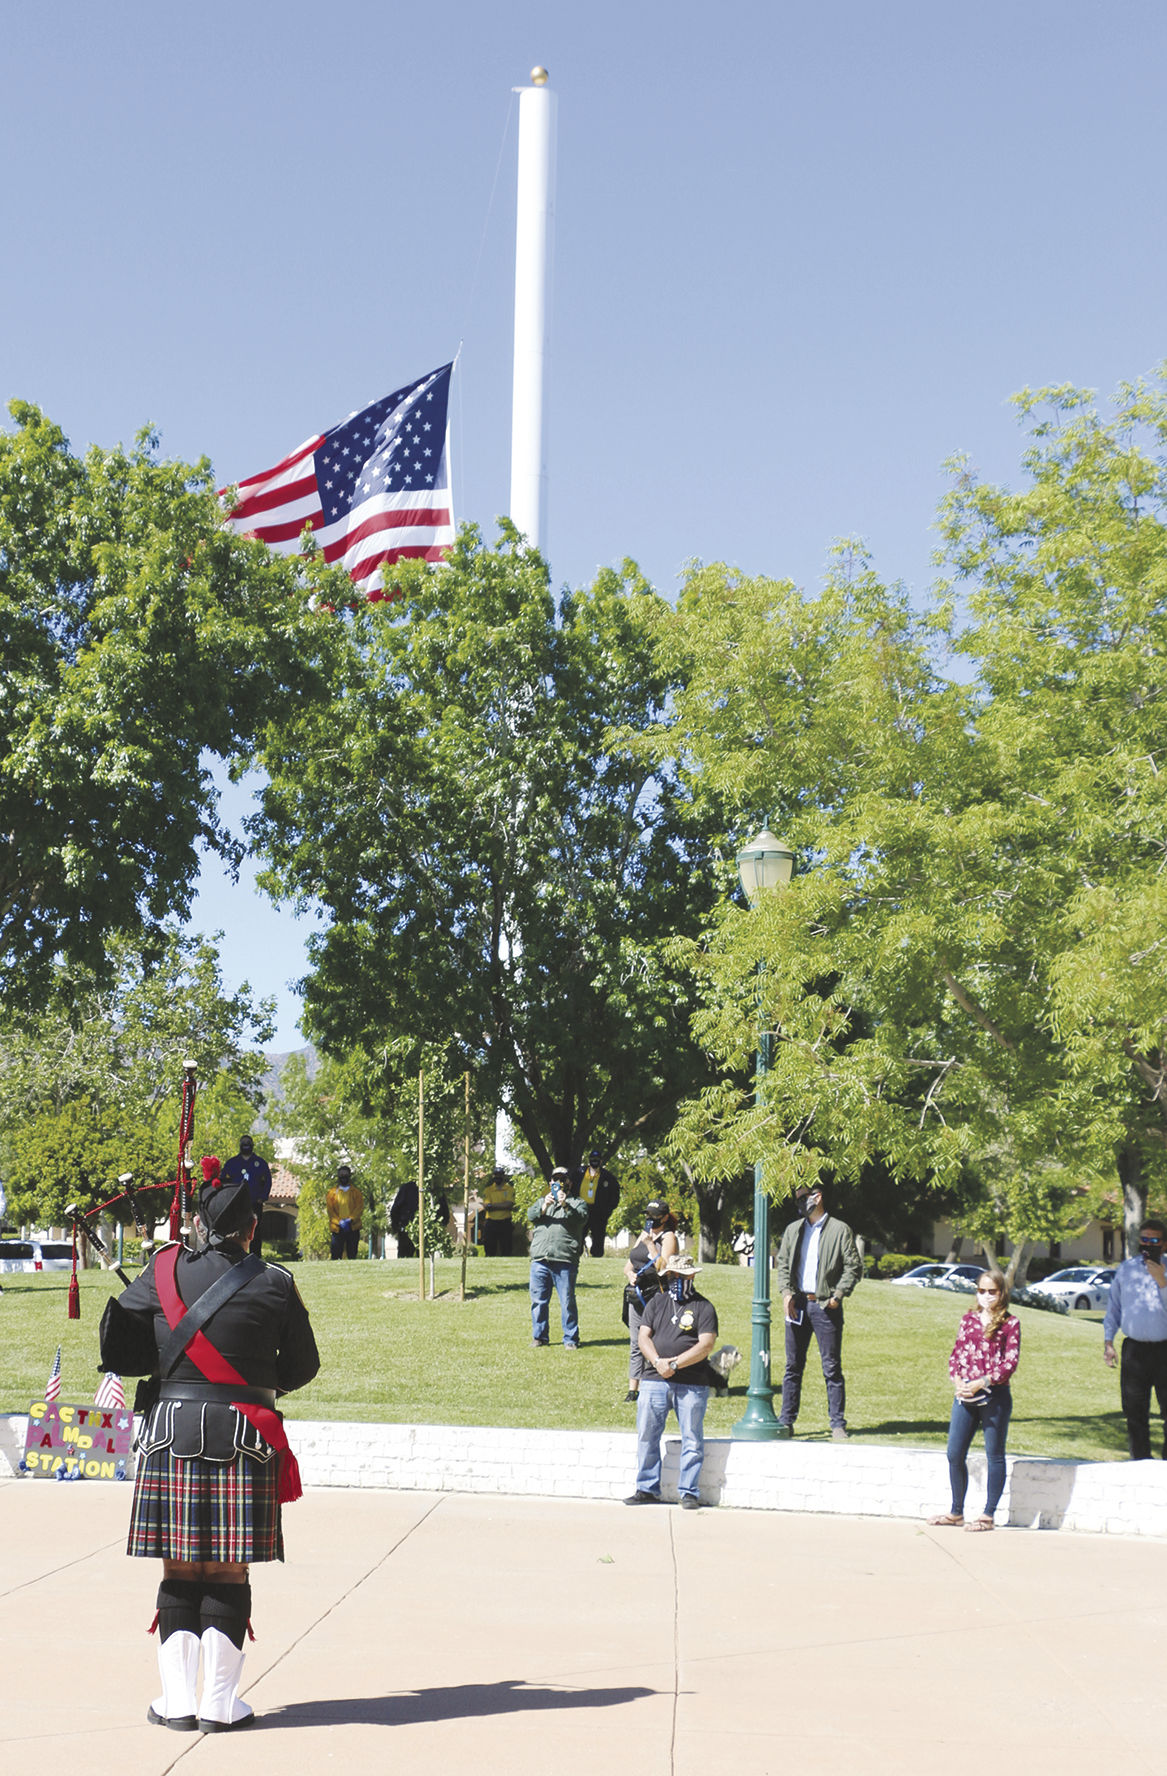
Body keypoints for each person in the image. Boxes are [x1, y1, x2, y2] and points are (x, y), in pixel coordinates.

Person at [98, 1165, 319, 1734]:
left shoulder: (162, 1268)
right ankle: (220, 1705)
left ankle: (177, 1702)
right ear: (251, 1229)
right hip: (244, 1433)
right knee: (227, 1570)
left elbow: (123, 1342)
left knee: (179, 1567)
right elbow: (303, 1366)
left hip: (170, 1429)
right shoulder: (276, 1281)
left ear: (198, 1225)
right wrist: (254, 1383)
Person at [928, 1270, 1021, 1532]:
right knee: (954, 1453)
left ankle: (987, 1515)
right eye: (982, 1291)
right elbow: (956, 1354)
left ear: (1002, 1293)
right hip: (965, 1396)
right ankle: (956, 1512)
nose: (986, 1296)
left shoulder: (1010, 1323)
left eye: (992, 1291)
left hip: (994, 1396)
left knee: (995, 1454)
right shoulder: (968, 1320)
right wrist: (958, 1380)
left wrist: (984, 1381)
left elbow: (1010, 1362)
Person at [625, 1253, 719, 1509]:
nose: (675, 1280)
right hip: (654, 1378)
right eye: (671, 1275)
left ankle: (688, 1492)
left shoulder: (704, 1307)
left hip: (692, 1382)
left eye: (680, 1276)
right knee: (647, 1434)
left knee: (692, 1438)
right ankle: (646, 1488)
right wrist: (658, 1362)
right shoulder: (657, 1302)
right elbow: (643, 1337)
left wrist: (675, 1364)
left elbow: (706, 1345)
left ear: (691, 1276)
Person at [775, 1181, 862, 1440]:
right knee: (793, 1366)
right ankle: (786, 1421)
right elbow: (783, 1264)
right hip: (798, 1305)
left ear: (818, 1196)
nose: (801, 1203)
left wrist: (838, 1295)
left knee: (831, 1367)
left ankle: (837, 1424)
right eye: (798, 1199)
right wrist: (786, 1293)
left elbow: (853, 1266)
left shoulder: (839, 1229)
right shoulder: (793, 1230)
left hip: (825, 1306)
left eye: (804, 1198)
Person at [1103, 1218, 1167, 1459]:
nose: (1148, 1244)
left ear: (1164, 1244)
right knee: (1134, 1411)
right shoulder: (1126, 1269)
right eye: (1144, 1239)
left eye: (1154, 1240)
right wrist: (1108, 1342)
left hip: (1165, 1350)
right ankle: (1140, 1462)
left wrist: (1162, 1282)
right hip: (1134, 1350)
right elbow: (1114, 1308)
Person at [622, 1198, 679, 1404]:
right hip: (637, 1294)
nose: (650, 1219)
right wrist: (630, 1275)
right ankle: (633, 1389)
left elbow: (664, 1268)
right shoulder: (644, 1234)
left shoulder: (668, 1237)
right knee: (636, 1341)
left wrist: (650, 1245)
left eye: (654, 1216)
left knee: (656, 1340)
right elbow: (629, 1264)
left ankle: (659, 1382)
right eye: (647, 1215)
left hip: (657, 1295)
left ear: (664, 1218)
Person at [527, 1167, 587, 1347]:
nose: (559, 1183)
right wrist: (545, 1206)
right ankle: (540, 1337)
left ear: (570, 1183)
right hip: (540, 1259)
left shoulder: (578, 1203)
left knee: (567, 1301)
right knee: (538, 1301)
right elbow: (531, 1215)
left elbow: (580, 1219)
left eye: (563, 1179)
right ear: (550, 1183)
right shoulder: (541, 1201)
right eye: (556, 1179)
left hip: (564, 1260)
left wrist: (565, 1204)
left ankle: (570, 1339)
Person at [220, 1135, 273, 1259]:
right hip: (236, 1203)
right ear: (240, 1145)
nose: (246, 1144)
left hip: (254, 1202)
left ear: (252, 1145)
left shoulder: (260, 1163)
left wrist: (263, 1197)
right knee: (234, 1230)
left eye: (248, 1142)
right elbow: (223, 1180)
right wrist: (227, 1197)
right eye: (243, 1142)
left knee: (255, 1230)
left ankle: (255, 1257)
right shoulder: (232, 1163)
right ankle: (235, 1256)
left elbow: (268, 1181)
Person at [389, 1180, 451, 1259]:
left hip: (409, 1228)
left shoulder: (407, 1188)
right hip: (424, 1229)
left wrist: (396, 1226)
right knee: (424, 1257)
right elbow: (444, 1210)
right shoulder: (433, 1188)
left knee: (405, 1257)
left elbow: (395, 1209)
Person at [575, 1147, 620, 1257]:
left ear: (601, 1161)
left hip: (598, 1211)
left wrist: (607, 1211)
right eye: (592, 1159)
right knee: (578, 1234)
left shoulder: (608, 1177)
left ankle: (597, 1256)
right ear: (589, 1160)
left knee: (598, 1236)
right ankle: (576, 1255)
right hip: (581, 1208)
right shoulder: (579, 1173)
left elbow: (615, 1195)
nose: (594, 1161)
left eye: (597, 1159)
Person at [326, 1165, 364, 1260]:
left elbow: (359, 1208)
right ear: (338, 1177)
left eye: (346, 1175)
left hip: (353, 1227)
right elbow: (330, 1211)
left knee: (352, 1254)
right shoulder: (332, 1193)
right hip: (337, 1229)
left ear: (349, 1176)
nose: (343, 1177)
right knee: (335, 1255)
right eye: (341, 1175)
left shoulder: (356, 1192)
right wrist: (339, 1222)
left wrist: (350, 1220)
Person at [480, 1167, 516, 1256]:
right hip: (491, 1222)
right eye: (496, 1175)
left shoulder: (509, 1189)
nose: (498, 1177)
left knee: (506, 1249)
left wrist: (492, 1206)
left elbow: (509, 1205)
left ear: (504, 1176)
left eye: (500, 1175)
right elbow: (486, 1206)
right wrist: (502, 1205)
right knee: (489, 1249)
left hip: (505, 1222)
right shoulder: (488, 1190)